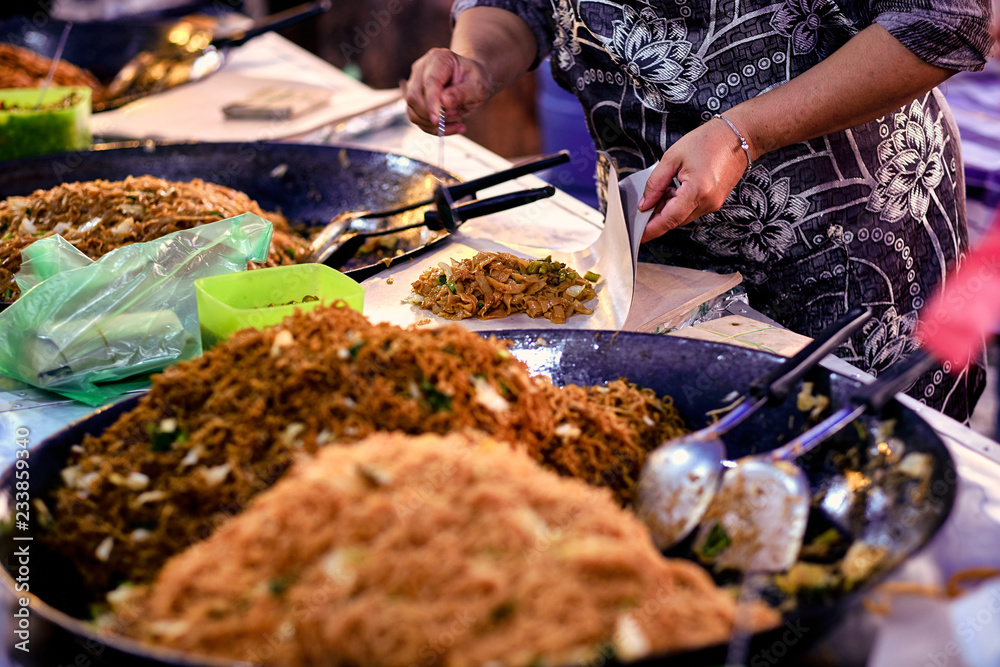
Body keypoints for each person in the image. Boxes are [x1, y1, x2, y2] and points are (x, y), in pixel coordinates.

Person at [404, 0, 995, 422]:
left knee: (847, 462)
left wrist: (745, 134)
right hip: (655, 244)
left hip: (846, 246)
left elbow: (946, 19)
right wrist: (478, 58)